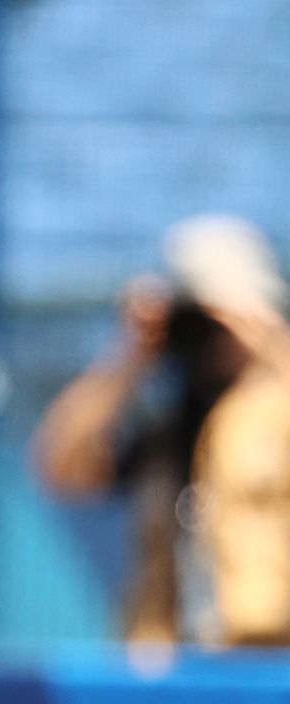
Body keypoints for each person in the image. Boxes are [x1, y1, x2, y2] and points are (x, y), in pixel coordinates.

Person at [34, 214, 290, 646]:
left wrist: (268, 341)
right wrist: (131, 357)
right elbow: (60, 467)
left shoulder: (276, 415)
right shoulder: (166, 428)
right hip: (170, 664)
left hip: (268, 664)